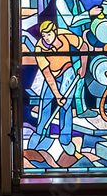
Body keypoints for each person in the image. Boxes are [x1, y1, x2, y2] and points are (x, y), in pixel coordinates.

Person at [28, 20, 86, 155]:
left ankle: (65, 139)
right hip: (51, 77)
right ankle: (41, 135)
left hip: (67, 71)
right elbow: (47, 74)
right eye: (44, 36)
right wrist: (57, 95)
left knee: (66, 105)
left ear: (55, 31)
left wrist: (83, 66)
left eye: (49, 34)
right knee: (45, 104)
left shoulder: (65, 35)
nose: (46, 38)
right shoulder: (39, 49)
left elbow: (83, 46)